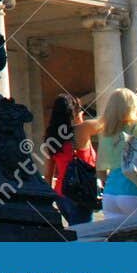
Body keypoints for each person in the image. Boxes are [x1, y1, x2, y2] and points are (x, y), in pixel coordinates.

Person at [95, 87, 137, 220]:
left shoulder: (107, 133)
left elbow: (101, 168)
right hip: (134, 192)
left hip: (110, 196)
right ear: (133, 106)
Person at [43, 94, 99, 224]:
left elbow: (48, 175)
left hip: (61, 194)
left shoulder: (51, 138)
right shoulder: (83, 130)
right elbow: (109, 121)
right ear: (73, 112)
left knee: (76, 230)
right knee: (83, 236)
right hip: (80, 193)